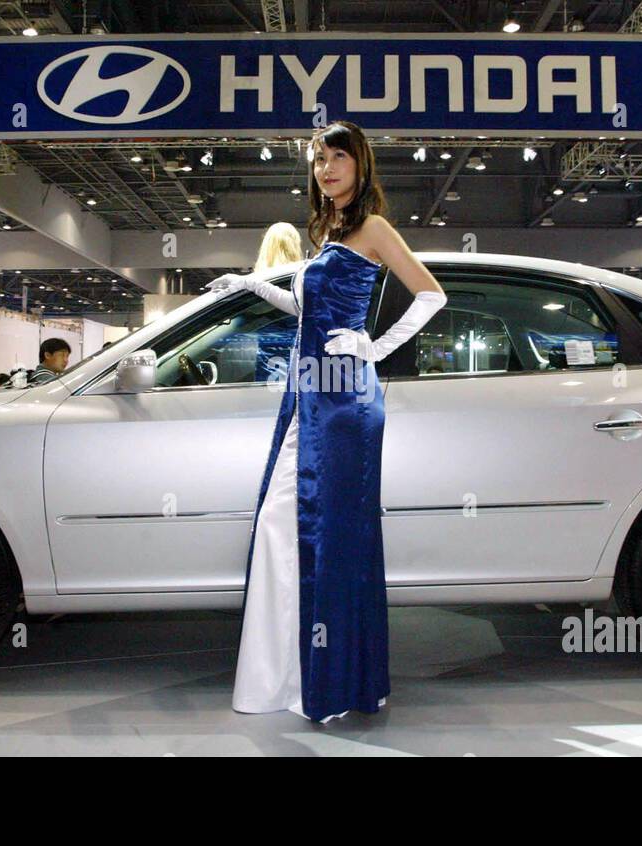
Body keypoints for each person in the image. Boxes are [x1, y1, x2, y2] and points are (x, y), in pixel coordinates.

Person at [208, 120, 446, 723]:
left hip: (345, 403)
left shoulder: (373, 228)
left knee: (328, 536)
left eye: (338, 157)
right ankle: (298, 676)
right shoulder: (328, 231)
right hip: (310, 393)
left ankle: (330, 684)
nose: (326, 169)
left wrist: (374, 347)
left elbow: (431, 294)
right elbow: (305, 305)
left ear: (360, 164)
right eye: (319, 160)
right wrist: (250, 284)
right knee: (284, 525)